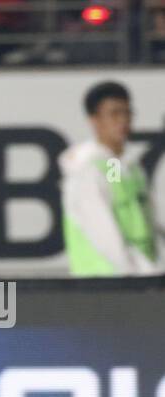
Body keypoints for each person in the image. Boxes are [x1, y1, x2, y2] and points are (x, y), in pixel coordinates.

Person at [60, 80, 161, 276]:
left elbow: (130, 208)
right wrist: (140, 273)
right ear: (94, 120)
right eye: (114, 113)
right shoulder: (86, 172)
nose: (123, 120)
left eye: (127, 112)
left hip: (136, 278)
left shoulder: (116, 165)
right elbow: (105, 234)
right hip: (105, 283)